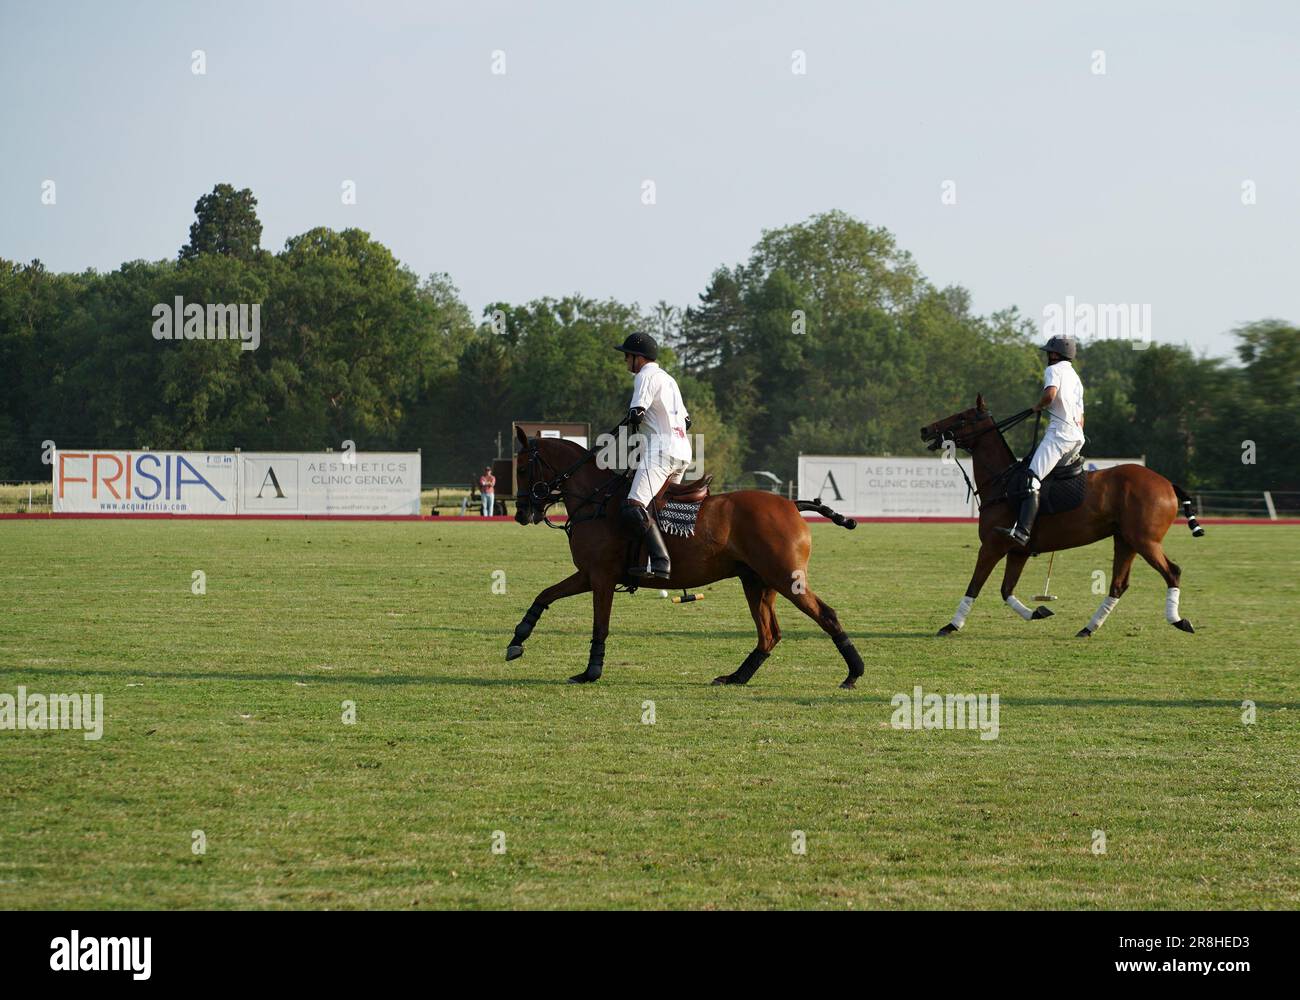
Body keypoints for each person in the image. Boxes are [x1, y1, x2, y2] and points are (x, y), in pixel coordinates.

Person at [994, 334, 1085, 546]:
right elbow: (1081, 416)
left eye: (1049, 352)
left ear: (1056, 354)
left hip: (1059, 436)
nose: (1047, 355)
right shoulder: (1075, 378)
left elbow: (1050, 395)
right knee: (1050, 480)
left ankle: (1022, 533)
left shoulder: (1053, 370)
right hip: (1077, 437)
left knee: (1031, 480)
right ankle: (1050, 527)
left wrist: (1038, 405)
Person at [615, 332, 691, 579]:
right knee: (659, 509)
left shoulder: (645, 376)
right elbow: (687, 421)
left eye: (627, 356)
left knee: (633, 506)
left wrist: (620, 432)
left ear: (638, 358)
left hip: (662, 451)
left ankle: (660, 562)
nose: (625, 361)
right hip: (683, 451)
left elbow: (637, 413)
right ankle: (673, 559)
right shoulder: (669, 379)